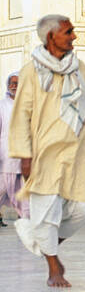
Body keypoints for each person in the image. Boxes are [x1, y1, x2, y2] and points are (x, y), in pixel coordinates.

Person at [9, 15, 85, 287]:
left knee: (83, 211)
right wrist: (25, 157)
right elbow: (21, 116)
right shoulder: (30, 71)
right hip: (43, 153)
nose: (74, 36)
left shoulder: (79, 68)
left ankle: (44, 246)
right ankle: (54, 267)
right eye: (68, 32)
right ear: (51, 37)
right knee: (46, 211)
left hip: (75, 153)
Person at [1, 73, 29, 224]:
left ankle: (26, 222)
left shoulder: (30, 106)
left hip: (26, 159)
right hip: (5, 158)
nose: (14, 86)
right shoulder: (2, 106)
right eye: (11, 83)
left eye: (17, 83)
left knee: (25, 195)